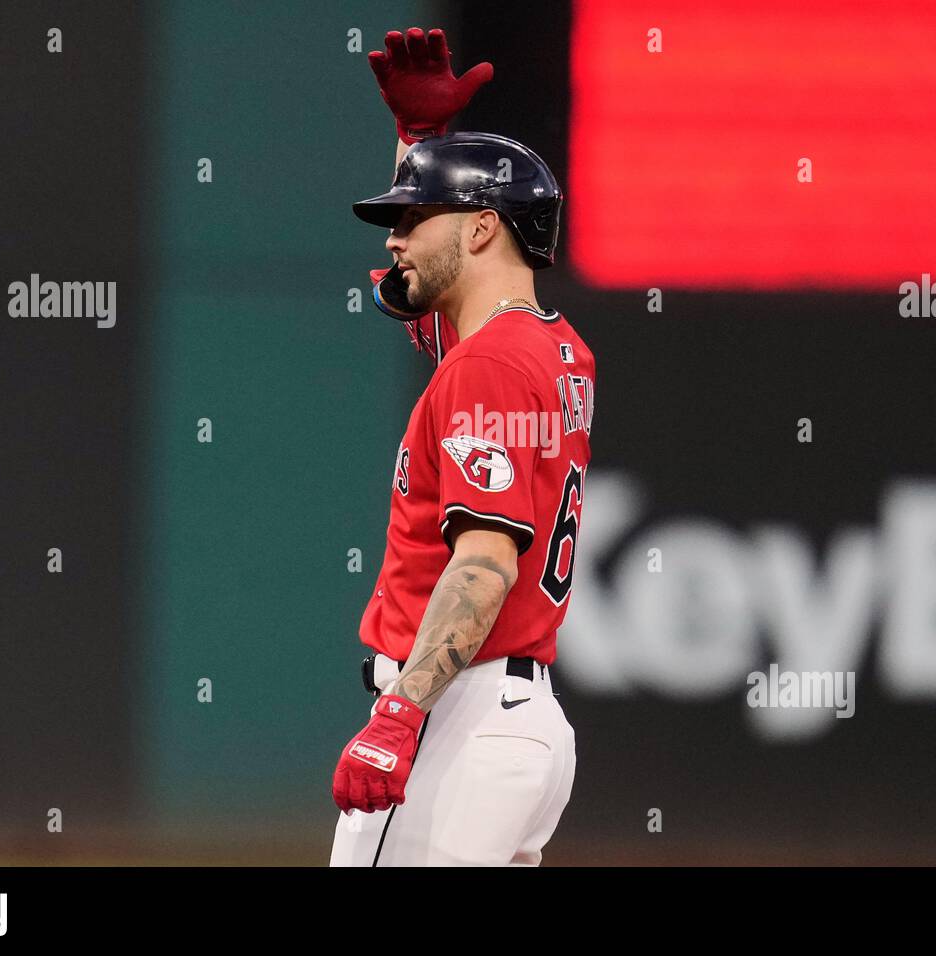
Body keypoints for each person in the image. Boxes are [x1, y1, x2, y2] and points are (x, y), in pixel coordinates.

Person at [328, 28, 596, 866]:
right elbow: (417, 302)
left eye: (414, 216)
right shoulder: (548, 348)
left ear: (483, 229)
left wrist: (402, 715)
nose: (392, 239)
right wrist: (421, 147)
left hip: (458, 718)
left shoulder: (487, 364)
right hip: (522, 729)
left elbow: (483, 565)